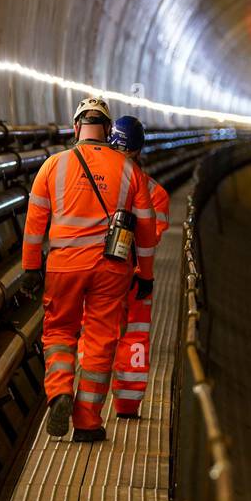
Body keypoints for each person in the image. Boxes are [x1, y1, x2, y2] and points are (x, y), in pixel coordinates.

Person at [19, 98, 157, 442]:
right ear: (108, 130)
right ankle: (87, 422)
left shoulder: (53, 166)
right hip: (111, 267)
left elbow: (35, 223)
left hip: (64, 265)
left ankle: (60, 391)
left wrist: (31, 267)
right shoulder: (130, 171)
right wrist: (147, 273)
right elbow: (146, 229)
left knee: (59, 332)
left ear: (75, 126)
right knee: (100, 340)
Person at [107, 116, 170, 419]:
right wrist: (144, 274)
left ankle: (86, 398)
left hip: (99, 273)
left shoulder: (98, 183)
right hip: (136, 276)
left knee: (94, 330)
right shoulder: (155, 191)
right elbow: (153, 235)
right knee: (134, 336)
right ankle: (128, 404)